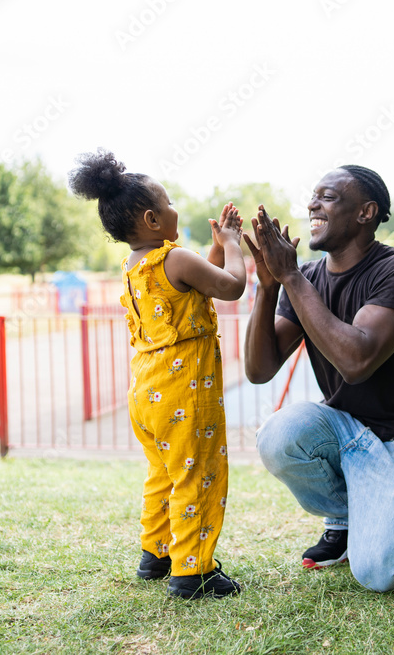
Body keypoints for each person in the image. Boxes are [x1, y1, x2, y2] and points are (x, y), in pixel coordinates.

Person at [243, 164, 394, 593]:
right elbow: (259, 370)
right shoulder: (310, 279)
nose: (313, 204)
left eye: (328, 197)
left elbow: (357, 361)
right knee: (279, 434)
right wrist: (268, 286)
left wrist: (292, 277)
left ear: (366, 212)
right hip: (342, 427)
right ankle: (347, 517)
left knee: (378, 574)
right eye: (313, 196)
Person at [69, 149, 246, 600]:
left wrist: (216, 247)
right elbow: (230, 286)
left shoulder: (134, 266)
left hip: (148, 390)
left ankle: (157, 554)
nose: (175, 210)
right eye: (168, 204)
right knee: (198, 473)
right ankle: (193, 572)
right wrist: (235, 246)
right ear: (152, 218)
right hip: (185, 389)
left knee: (164, 472)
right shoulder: (175, 258)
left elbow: (194, 283)